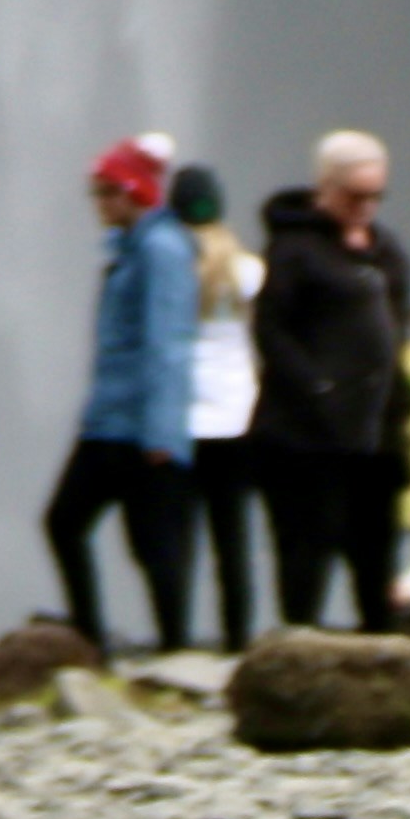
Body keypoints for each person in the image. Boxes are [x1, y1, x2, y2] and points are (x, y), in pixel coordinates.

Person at [250, 131, 410, 633]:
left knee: (376, 553)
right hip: (306, 439)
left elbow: (397, 329)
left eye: (376, 197)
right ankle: (298, 657)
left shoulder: (386, 249)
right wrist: (318, 388)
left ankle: (382, 657)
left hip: (377, 439)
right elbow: (269, 330)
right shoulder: (294, 250)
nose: (365, 207)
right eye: (354, 196)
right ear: (326, 187)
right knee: (307, 549)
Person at [44, 143, 194, 652]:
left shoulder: (161, 250)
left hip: (134, 427)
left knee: (131, 538)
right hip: (112, 418)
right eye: (96, 192)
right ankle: (104, 640)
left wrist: (160, 432)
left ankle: (161, 646)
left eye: (107, 192)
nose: (99, 204)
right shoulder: (131, 247)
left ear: (134, 192)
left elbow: (167, 344)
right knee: (131, 538)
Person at [171, 163, 263, 650]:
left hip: (186, 417)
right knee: (233, 541)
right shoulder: (247, 271)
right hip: (238, 417)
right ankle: (237, 640)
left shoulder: (172, 268)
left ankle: (179, 637)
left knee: (181, 538)